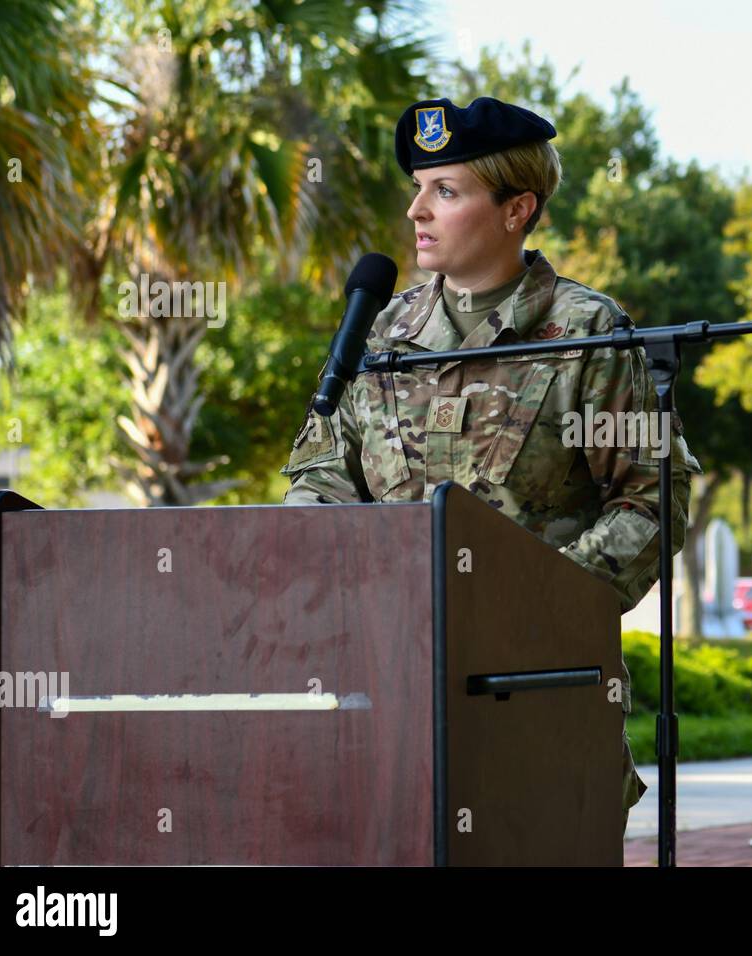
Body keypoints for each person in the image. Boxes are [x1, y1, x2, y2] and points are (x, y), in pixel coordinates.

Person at [280, 96, 702, 838]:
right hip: (386, 691)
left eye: (445, 191)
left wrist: (534, 608)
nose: (417, 210)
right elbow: (319, 476)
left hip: (536, 694)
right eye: (418, 187)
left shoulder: (586, 332)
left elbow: (652, 497)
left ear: (517, 210)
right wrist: (328, 571)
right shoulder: (380, 330)